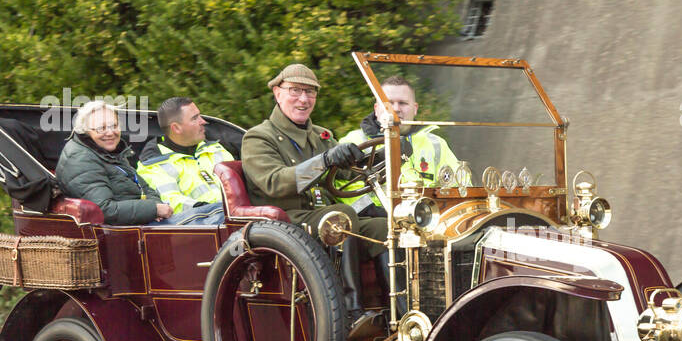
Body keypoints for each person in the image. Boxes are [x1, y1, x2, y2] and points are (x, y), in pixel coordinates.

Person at [240, 64, 389, 324]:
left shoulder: (321, 135)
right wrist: (325, 160)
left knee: (386, 227)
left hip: (325, 217)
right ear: (277, 93)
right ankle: (348, 314)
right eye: (295, 90)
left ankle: (398, 315)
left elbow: (348, 176)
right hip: (287, 223)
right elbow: (273, 182)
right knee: (341, 215)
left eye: (310, 92)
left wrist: (383, 157)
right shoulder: (258, 137)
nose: (303, 99)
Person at [58, 100, 205, 225]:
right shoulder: (80, 159)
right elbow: (104, 209)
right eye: (101, 128)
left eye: (114, 126)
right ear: (85, 131)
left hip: (143, 221)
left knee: (213, 212)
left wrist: (156, 207)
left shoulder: (109, 152)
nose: (110, 133)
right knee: (210, 218)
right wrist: (154, 209)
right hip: (122, 233)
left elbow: (146, 188)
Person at [333, 75, 461, 214]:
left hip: (430, 222)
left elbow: (460, 185)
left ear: (415, 108)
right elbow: (341, 186)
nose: (396, 109)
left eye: (403, 103)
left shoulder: (436, 144)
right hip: (373, 227)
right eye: (388, 103)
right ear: (376, 109)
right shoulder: (353, 142)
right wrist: (376, 213)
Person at [136, 97, 231, 225]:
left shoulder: (215, 148)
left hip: (234, 216)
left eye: (200, 116)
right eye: (195, 118)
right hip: (200, 228)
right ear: (176, 128)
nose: (203, 121)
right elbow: (171, 202)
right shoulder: (152, 164)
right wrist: (216, 210)